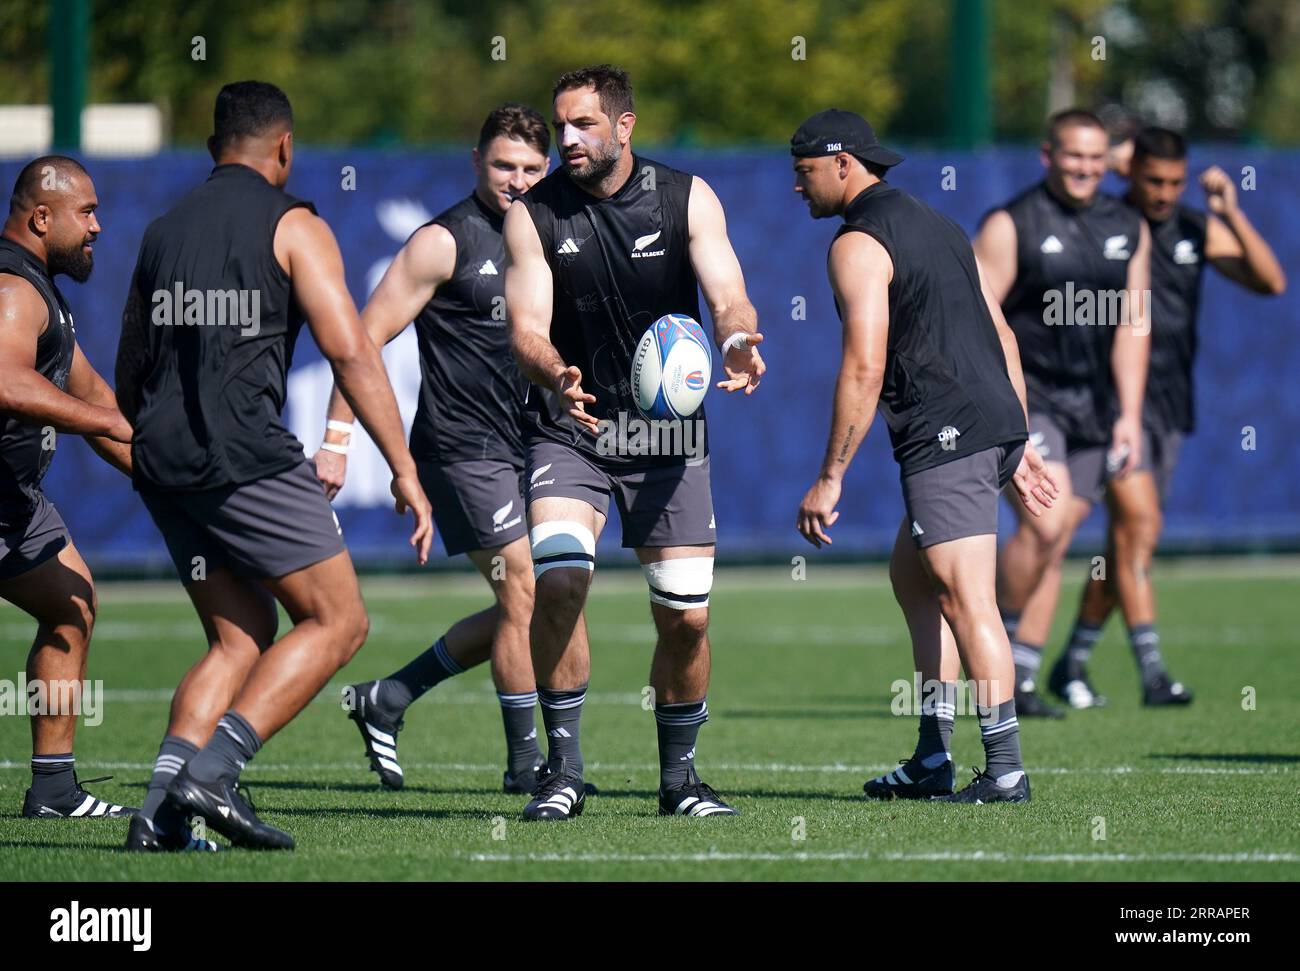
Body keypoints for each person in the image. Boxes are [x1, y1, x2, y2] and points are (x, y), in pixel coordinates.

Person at [116, 81, 432, 852]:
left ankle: (158, 815)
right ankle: (215, 773)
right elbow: (352, 349)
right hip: (245, 456)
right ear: (284, 147)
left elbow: (131, 369)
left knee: (241, 632)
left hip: (162, 460)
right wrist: (403, 468)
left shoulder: (162, 230)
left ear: (211, 146)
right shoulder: (294, 224)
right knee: (339, 618)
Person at [504, 64, 765, 820]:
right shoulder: (535, 213)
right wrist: (555, 372)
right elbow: (526, 327)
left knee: (685, 616)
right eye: (562, 126)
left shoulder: (686, 197)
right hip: (572, 426)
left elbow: (726, 289)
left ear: (625, 126)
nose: (568, 139)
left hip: (666, 434)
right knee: (558, 581)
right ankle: (562, 772)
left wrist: (740, 334)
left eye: (584, 124)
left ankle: (680, 780)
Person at [791, 109, 1058, 803]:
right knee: (914, 575)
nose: (798, 186)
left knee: (968, 596)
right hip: (987, 424)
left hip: (947, 433)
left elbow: (863, 363)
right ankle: (932, 755)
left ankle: (1004, 771)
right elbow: (1002, 333)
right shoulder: (940, 225)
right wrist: (1018, 435)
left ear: (843, 163)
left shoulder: (858, 242)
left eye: (804, 171)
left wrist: (830, 476)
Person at [314, 104, 557, 795]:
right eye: (504, 165)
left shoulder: (554, 235)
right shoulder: (442, 242)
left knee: (533, 602)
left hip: (532, 442)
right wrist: (336, 440)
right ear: (477, 162)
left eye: (532, 168)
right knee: (522, 590)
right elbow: (360, 341)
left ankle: (389, 697)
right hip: (459, 448)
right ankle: (524, 769)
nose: (517, 180)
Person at [1048, 126, 1286, 707]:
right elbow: (1076, 181)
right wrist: (1113, 162)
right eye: (1153, 179)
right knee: (1139, 529)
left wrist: (1228, 209)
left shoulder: (1191, 227)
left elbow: (1270, 280)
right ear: (1131, 174)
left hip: (1170, 405)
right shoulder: (1102, 220)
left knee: (1130, 542)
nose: (1163, 192)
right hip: (1105, 404)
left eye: (1175, 183)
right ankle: (1150, 671)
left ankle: (1069, 663)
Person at [974, 108, 1151, 718]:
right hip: (1033, 401)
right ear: (1048, 155)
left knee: (1056, 541)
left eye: (1096, 159)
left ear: (1111, 162)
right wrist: (1002, 405)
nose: (1085, 168)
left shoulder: (1129, 225)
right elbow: (974, 318)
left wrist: (1129, 413)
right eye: (1073, 156)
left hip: (1097, 410)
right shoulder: (1010, 224)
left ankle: (1018, 675)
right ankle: (979, 635)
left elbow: (1134, 323)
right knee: (1044, 529)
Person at [0, 156, 135, 818]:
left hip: (13, 507)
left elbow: (95, 398)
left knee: (71, 604)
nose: (98, 226)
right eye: (86, 212)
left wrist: (169, 474)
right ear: (40, 217)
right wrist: (104, 419)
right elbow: (6, 382)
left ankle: (53, 789)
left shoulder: (43, 293)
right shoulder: (11, 289)